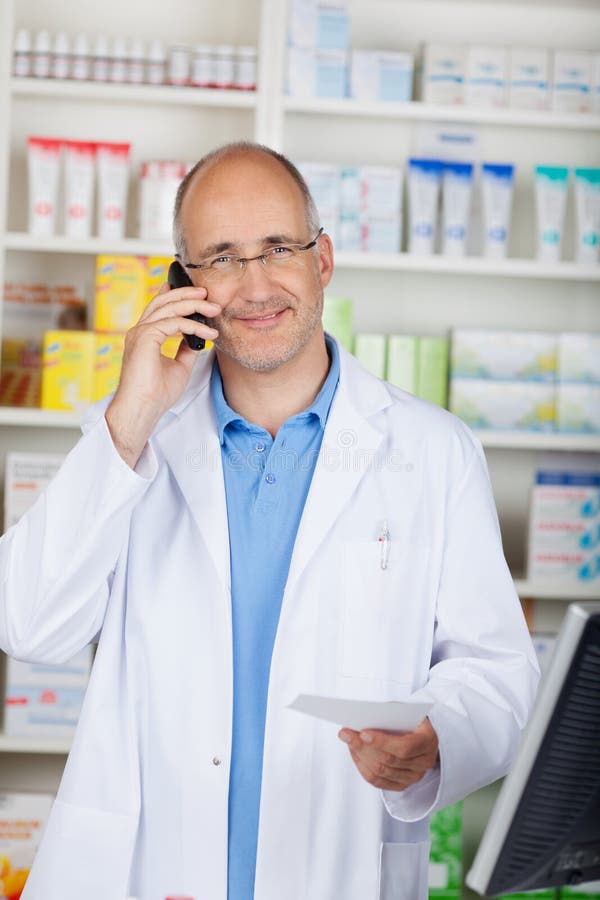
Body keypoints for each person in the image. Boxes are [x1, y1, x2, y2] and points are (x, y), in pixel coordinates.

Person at [0, 142, 539, 900]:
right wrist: (129, 418)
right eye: (220, 258)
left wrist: (435, 740)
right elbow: (28, 625)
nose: (255, 285)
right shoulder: (129, 439)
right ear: (185, 286)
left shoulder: (433, 450)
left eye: (277, 249)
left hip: (338, 869)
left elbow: (497, 672)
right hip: (152, 874)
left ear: (321, 259)